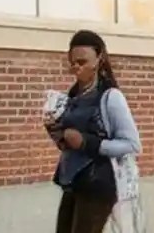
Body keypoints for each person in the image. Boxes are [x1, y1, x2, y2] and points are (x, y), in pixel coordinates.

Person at [45, 30, 142, 233]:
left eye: (82, 62)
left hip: (97, 184)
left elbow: (132, 144)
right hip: (72, 183)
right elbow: (70, 143)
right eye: (72, 62)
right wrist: (58, 135)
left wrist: (87, 142)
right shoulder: (72, 97)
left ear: (99, 59)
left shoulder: (110, 97)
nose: (76, 68)